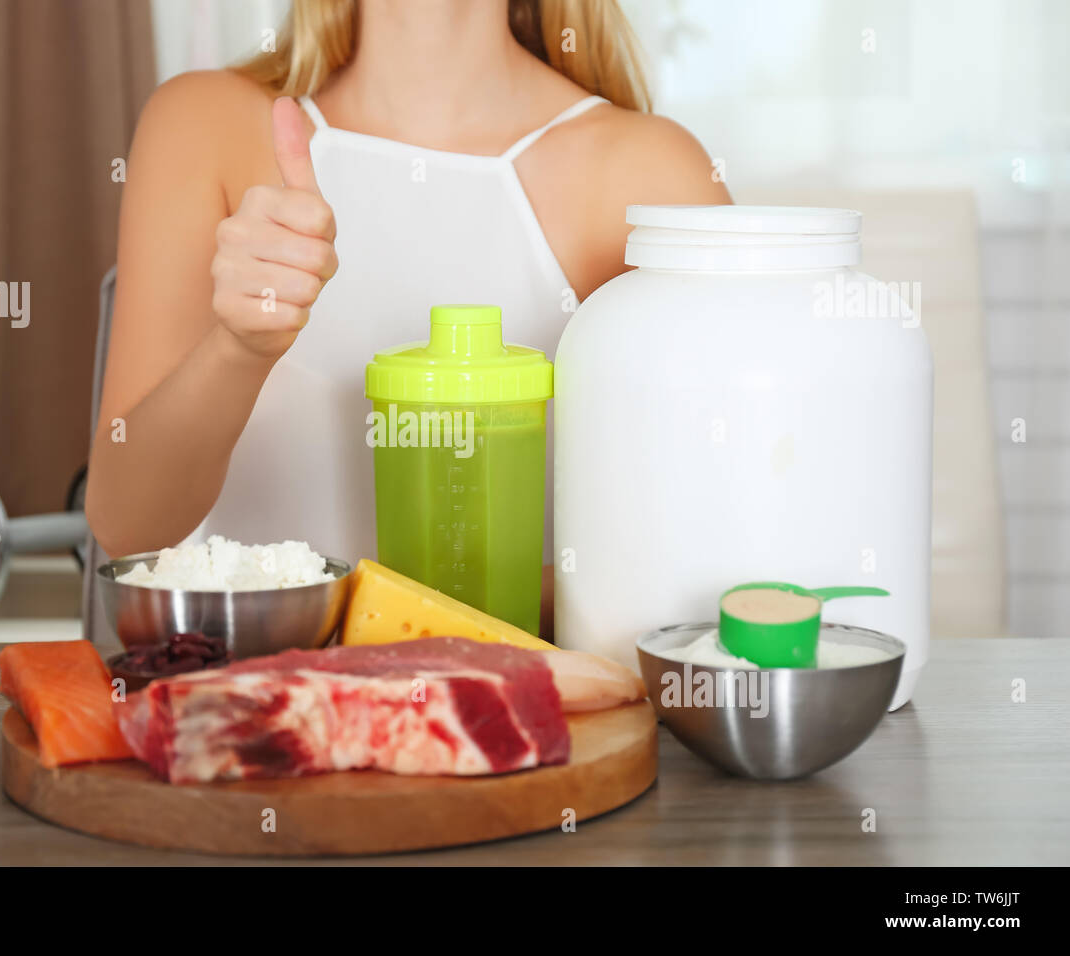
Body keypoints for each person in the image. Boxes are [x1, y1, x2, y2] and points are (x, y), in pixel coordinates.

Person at [85, 0, 731, 635]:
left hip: (521, 723)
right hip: (248, 716)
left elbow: (707, 547)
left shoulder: (659, 176)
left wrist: (402, 620)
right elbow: (127, 527)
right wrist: (238, 349)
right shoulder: (199, 123)